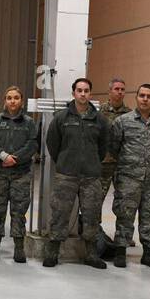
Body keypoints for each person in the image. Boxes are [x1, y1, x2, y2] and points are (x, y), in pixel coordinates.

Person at [43, 77, 110, 269]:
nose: (83, 94)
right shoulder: (61, 117)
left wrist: (92, 162)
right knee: (60, 213)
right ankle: (53, 252)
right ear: (74, 93)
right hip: (66, 174)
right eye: (79, 90)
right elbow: (52, 143)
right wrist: (64, 161)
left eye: (86, 90)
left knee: (91, 215)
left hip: (91, 176)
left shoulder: (100, 120)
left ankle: (91, 254)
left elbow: (103, 146)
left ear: (90, 93)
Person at [108, 84, 150, 268]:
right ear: (136, 97)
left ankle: (148, 253)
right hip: (128, 177)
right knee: (125, 213)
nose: (145, 99)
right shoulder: (123, 122)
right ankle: (120, 250)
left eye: (149, 96)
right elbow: (114, 147)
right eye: (142, 95)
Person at [0, 86, 39, 262]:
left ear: (21, 101)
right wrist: (3, 156)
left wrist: (17, 158)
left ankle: (19, 249)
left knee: (19, 212)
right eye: (9, 98)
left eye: (16, 98)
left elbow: (33, 143)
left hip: (20, 174)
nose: (12, 101)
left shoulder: (29, 123)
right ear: (4, 101)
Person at [98, 77, 131, 211]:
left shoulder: (130, 114)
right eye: (116, 89)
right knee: (97, 198)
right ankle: (95, 229)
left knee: (123, 200)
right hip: (103, 163)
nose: (120, 92)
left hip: (121, 164)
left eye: (122, 90)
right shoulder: (99, 112)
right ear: (109, 91)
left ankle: (122, 230)